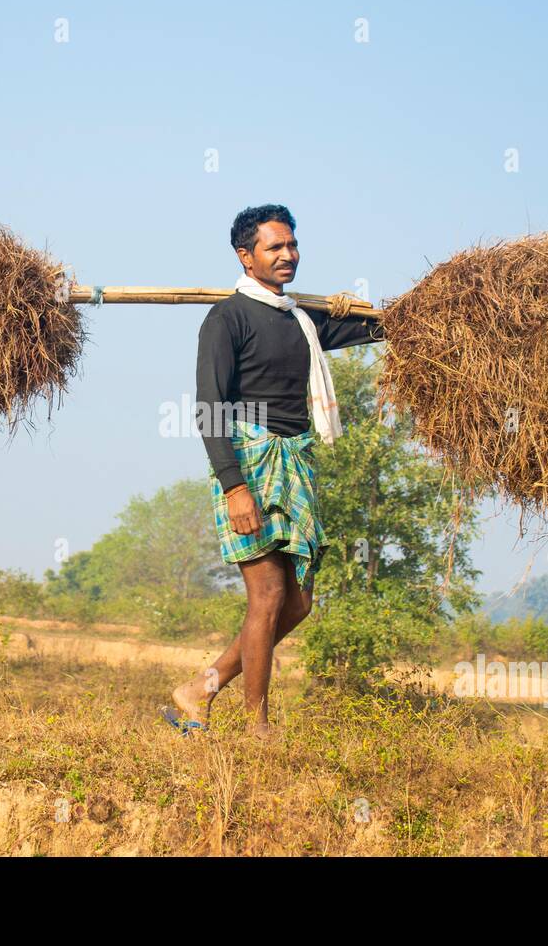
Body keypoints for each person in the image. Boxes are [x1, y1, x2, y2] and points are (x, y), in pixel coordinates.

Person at [168, 204, 384, 739]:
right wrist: (234, 486)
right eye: (274, 248)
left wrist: (391, 312)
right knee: (266, 595)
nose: (288, 255)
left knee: (299, 600)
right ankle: (257, 727)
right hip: (249, 461)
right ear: (246, 256)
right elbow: (208, 408)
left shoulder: (304, 321)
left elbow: (375, 329)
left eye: (292, 245)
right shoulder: (227, 319)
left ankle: (201, 688)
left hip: (297, 459)